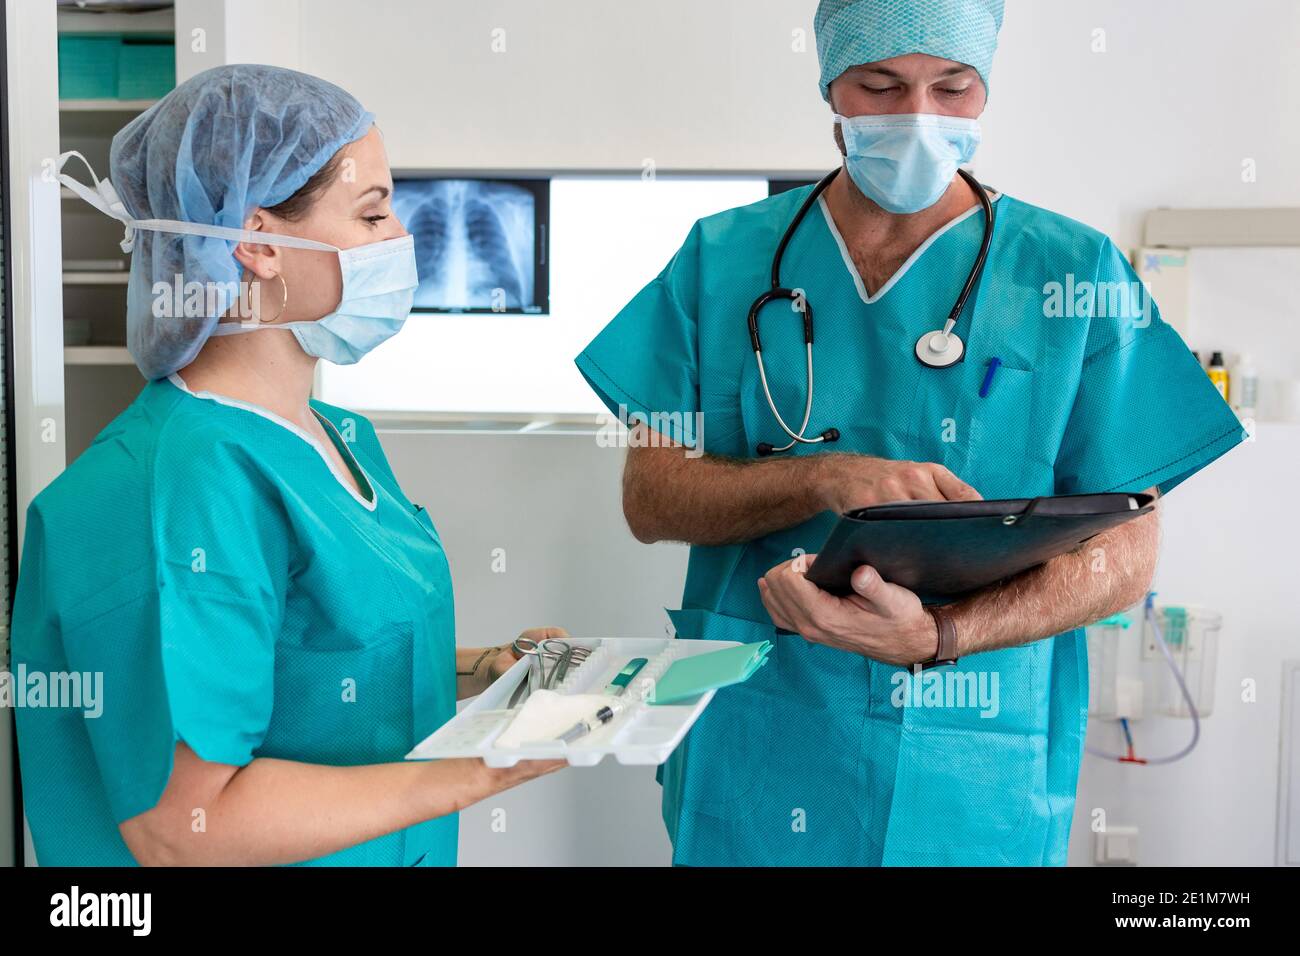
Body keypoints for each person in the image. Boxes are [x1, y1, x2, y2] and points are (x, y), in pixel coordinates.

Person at [574, 0, 1244, 865]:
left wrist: (941, 637)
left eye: (952, 88)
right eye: (881, 86)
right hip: (765, 731)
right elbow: (652, 498)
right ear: (833, 92)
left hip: (973, 757)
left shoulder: (1072, 275)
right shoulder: (721, 258)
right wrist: (820, 479)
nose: (918, 117)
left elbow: (1126, 559)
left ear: (985, 90)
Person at [14, 65, 562, 866]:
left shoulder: (336, 435)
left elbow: (312, 661)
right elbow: (183, 827)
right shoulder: (179, 483)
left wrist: (484, 671)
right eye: (373, 213)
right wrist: (476, 771)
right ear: (258, 244)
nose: (402, 240)